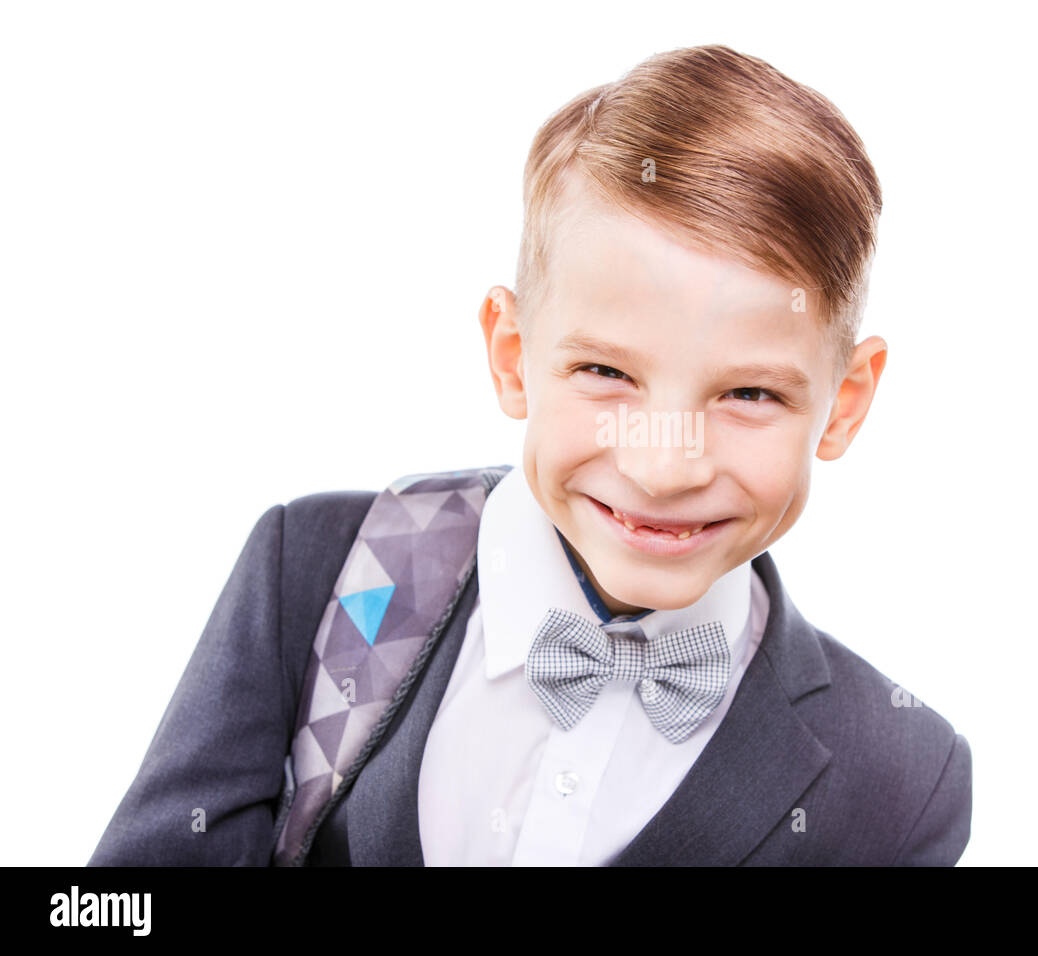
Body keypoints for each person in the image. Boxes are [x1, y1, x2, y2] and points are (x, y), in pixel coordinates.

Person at [89, 43, 972, 867]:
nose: (666, 467)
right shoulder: (316, 572)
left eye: (749, 395)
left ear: (845, 404)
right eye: (605, 372)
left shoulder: (902, 778)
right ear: (512, 356)